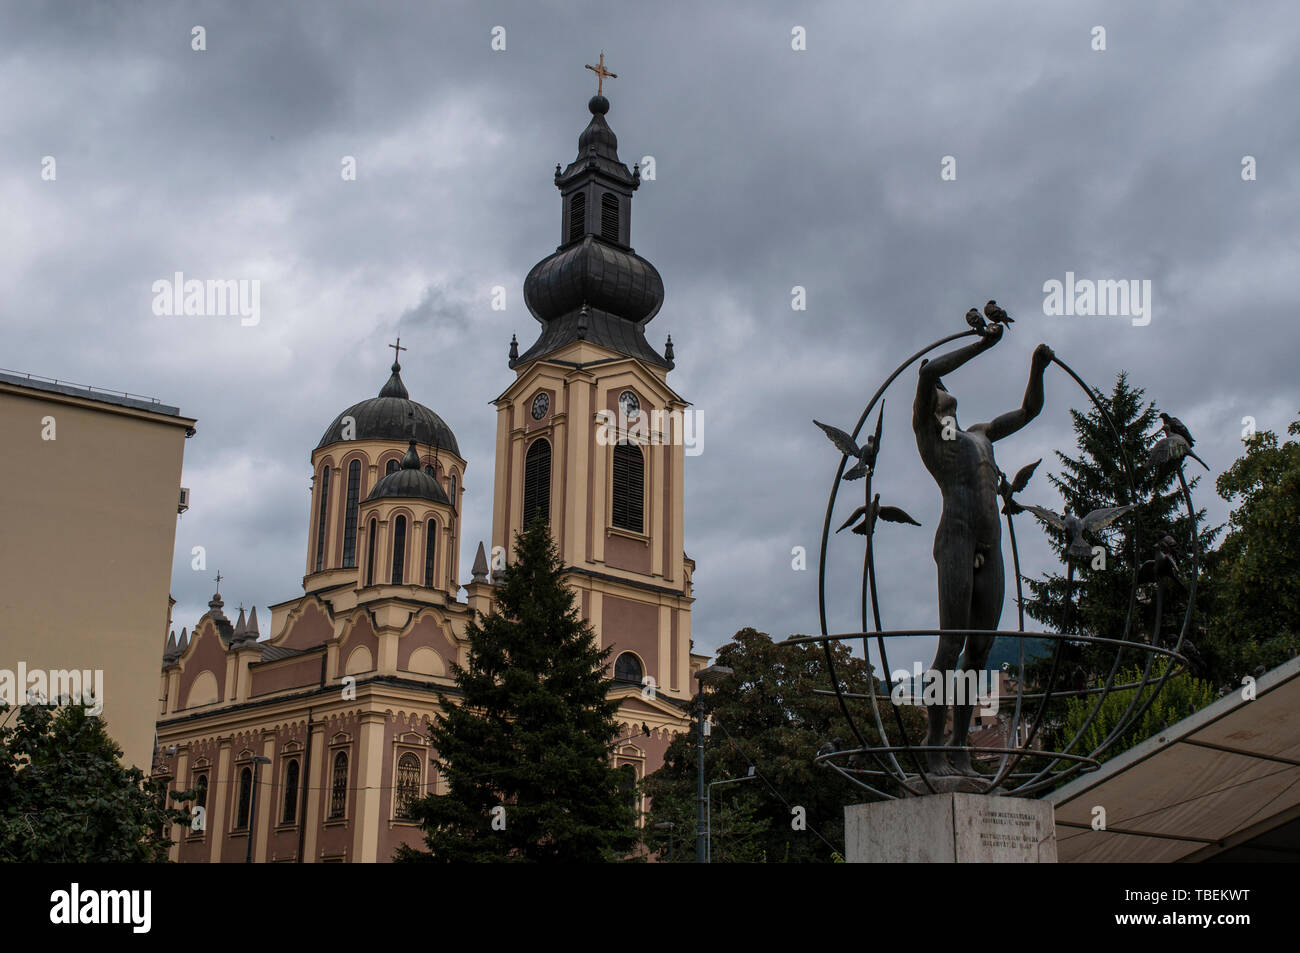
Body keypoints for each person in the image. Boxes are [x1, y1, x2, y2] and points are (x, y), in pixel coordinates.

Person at [911, 323, 1054, 775]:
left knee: (980, 650)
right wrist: (984, 343)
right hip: (955, 540)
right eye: (937, 390)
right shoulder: (930, 436)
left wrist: (1037, 366)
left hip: (989, 547)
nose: (943, 389)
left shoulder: (981, 434)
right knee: (950, 645)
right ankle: (933, 743)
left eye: (944, 389)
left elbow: (1030, 410)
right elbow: (930, 369)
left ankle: (959, 747)